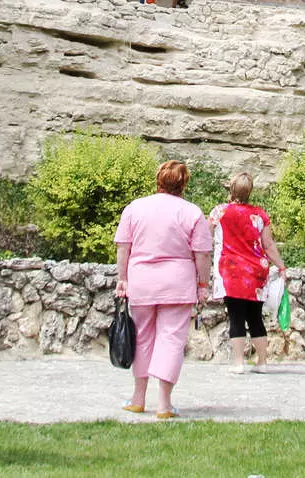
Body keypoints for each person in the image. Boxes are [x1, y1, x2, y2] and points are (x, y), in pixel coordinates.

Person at [115, 160, 211, 419]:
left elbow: (123, 247)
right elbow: (202, 254)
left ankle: (138, 398)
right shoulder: (192, 212)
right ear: (184, 183)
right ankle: (164, 404)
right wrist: (203, 285)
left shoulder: (135, 208)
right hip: (178, 283)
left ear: (158, 179)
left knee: (142, 336)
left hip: (142, 281)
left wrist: (122, 279)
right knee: (171, 338)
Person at [208, 173, 287, 374]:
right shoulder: (260, 215)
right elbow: (268, 245)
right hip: (256, 272)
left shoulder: (219, 212)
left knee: (236, 317)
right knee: (255, 317)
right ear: (250, 191)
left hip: (231, 271)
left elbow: (205, 237)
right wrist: (281, 266)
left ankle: (239, 362)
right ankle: (262, 362)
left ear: (231, 189)